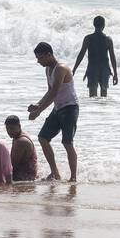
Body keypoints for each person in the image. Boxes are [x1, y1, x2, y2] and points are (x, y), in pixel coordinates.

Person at [27, 43, 78, 181]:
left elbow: (55, 92)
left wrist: (38, 112)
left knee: (67, 143)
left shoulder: (60, 68)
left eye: (40, 58)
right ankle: (55, 172)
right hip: (58, 108)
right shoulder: (48, 70)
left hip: (70, 108)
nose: (38, 61)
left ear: (49, 55)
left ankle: (73, 177)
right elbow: (49, 91)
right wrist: (37, 105)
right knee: (43, 138)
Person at [73, 16, 118, 99]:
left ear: (93, 24)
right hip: (104, 69)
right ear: (104, 25)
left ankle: (93, 111)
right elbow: (112, 57)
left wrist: (74, 69)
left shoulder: (88, 38)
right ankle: (102, 111)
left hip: (92, 68)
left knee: (92, 96)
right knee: (104, 96)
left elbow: (81, 54)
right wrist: (115, 74)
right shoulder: (108, 40)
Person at [4, 115, 38, 182]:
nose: (9, 131)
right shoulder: (17, 136)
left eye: (12, 129)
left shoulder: (21, 141)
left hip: (25, 178)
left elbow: (13, 165)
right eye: (7, 129)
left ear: (19, 126)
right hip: (28, 175)